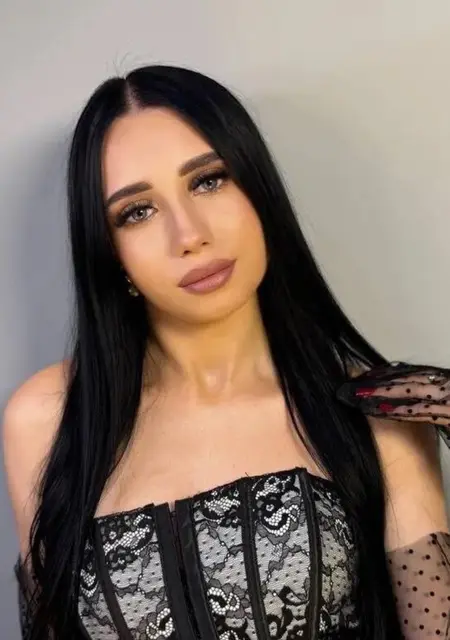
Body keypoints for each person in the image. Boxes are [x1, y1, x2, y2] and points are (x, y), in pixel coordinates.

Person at [2, 65, 449, 640]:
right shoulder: (46, 417)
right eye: (137, 212)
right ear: (110, 252)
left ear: (257, 190)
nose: (189, 234)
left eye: (208, 181)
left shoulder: (376, 415)